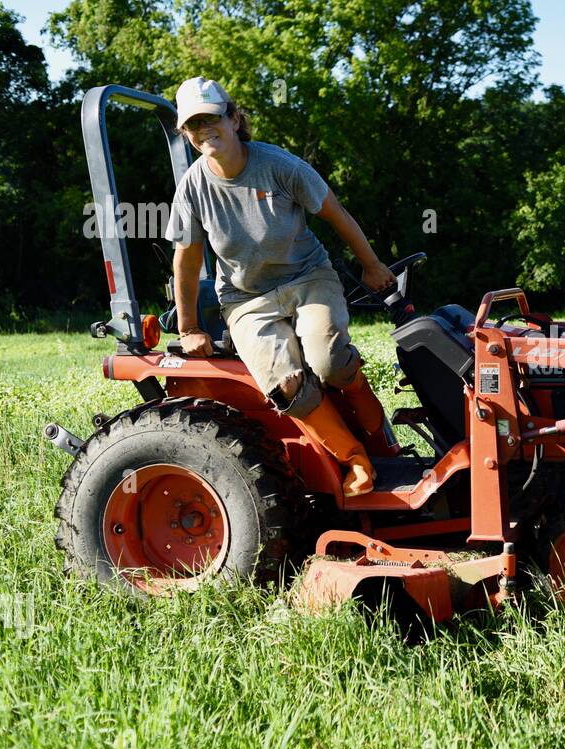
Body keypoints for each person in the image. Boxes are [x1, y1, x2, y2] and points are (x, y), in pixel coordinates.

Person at [166, 76, 394, 496]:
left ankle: (384, 442)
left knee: (328, 363)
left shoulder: (279, 165)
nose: (205, 130)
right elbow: (188, 258)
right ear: (187, 134)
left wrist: (373, 265)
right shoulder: (193, 188)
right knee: (286, 384)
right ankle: (355, 460)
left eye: (212, 118)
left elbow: (336, 213)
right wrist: (189, 328)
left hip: (307, 277)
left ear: (234, 119)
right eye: (194, 125)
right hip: (245, 298)